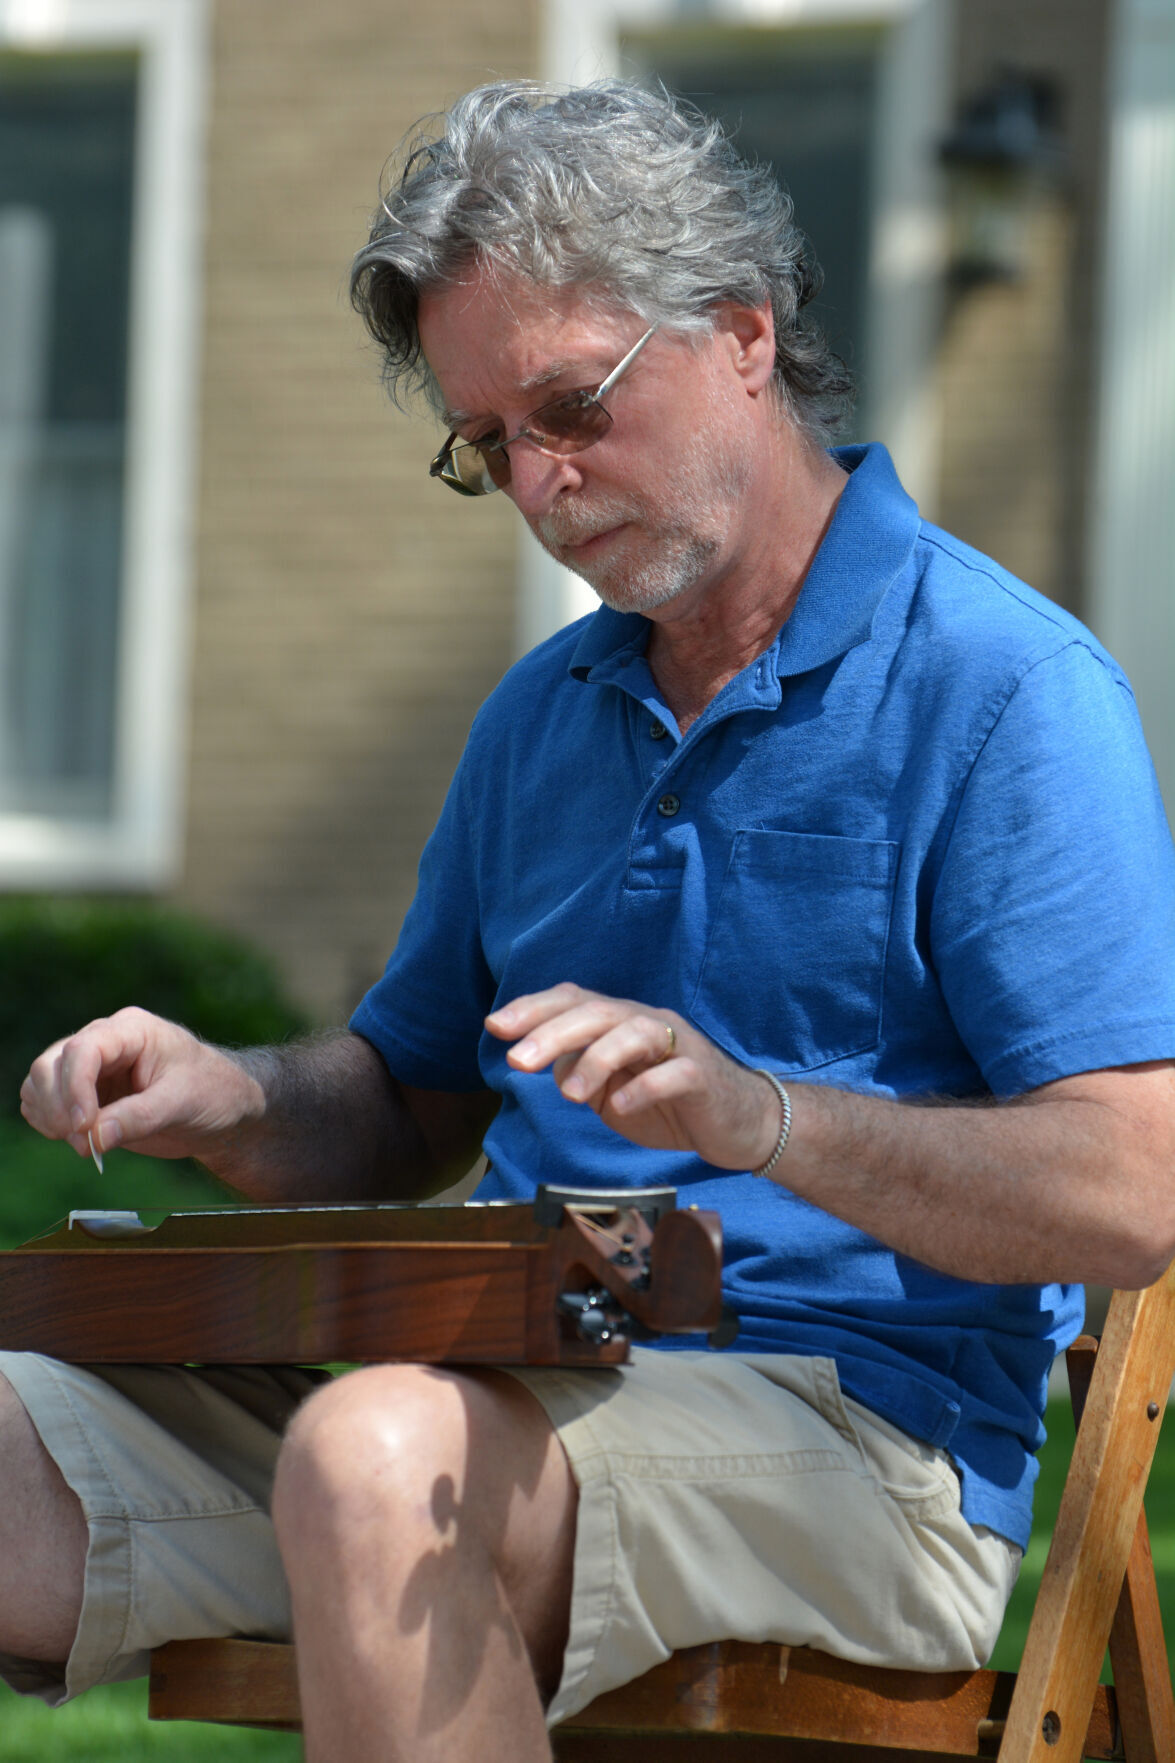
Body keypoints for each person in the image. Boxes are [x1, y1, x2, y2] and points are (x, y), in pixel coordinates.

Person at [7, 77, 1175, 1763]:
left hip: (865, 1437)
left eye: (573, 407)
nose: (544, 487)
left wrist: (759, 1117)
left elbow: (1134, 1189)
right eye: (491, 447)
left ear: (746, 333)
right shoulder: (542, 716)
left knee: (381, 1457)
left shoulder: (1007, 692)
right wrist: (239, 1098)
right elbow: (408, 1101)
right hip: (496, 1397)